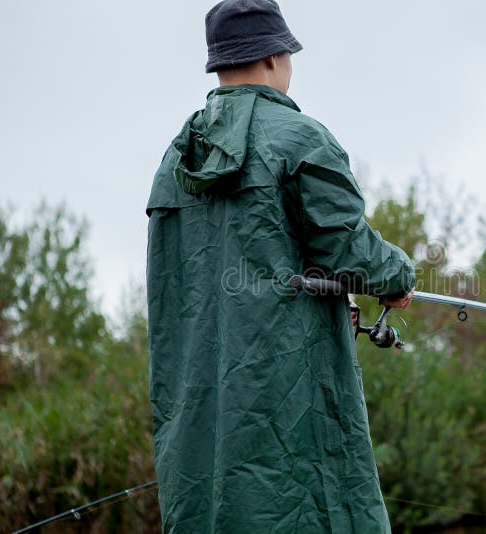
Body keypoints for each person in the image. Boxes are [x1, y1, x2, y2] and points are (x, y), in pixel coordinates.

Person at [145, 1, 415, 532]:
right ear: (274, 56)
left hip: (200, 405)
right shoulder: (301, 140)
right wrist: (398, 276)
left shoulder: (175, 162)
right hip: (293, 397)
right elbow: (350, 251)